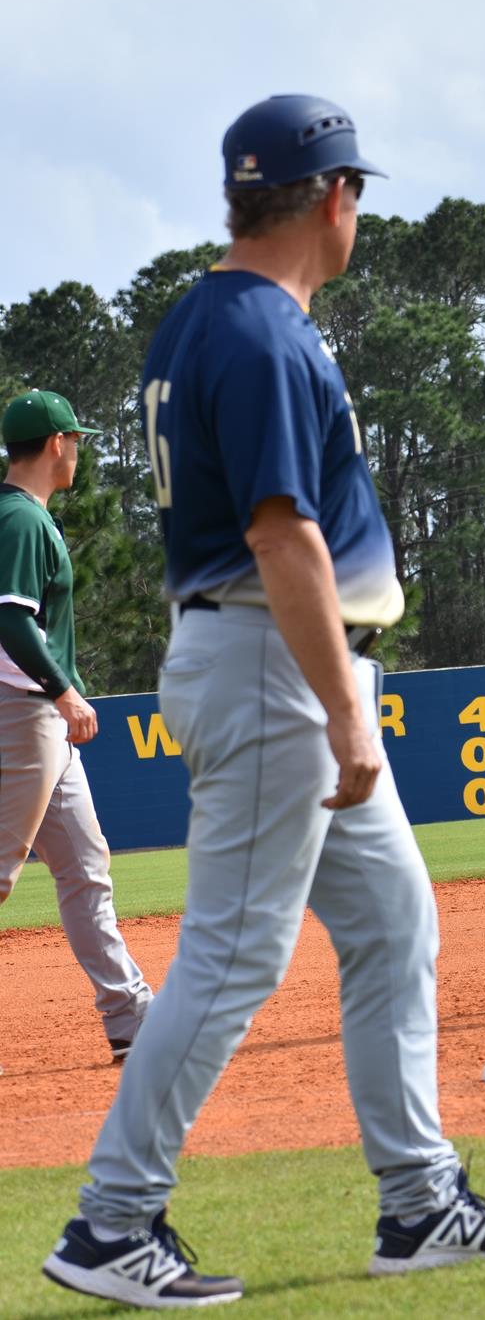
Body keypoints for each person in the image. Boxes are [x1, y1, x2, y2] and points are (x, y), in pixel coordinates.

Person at [42, 95, 485, 1312]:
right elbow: (284, 535)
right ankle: (113, 1220)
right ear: (332, 198)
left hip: (265, 657)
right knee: (234, 950)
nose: (359, 215)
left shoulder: (198, 317)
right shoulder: (264, 332)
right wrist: (342, 709)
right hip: (278, 662)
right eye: (358, 194)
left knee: (393, 921)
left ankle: (420, 1199)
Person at [0, 390, 153, 1062]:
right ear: (56, 444)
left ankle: (130, 1016)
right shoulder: (19, 520)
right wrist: (64, 692)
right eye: (77, 439)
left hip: (41, 721)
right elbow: (10, 620)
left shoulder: (25, 516)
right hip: (24, 712)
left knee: (86, 867)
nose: (81, 450)